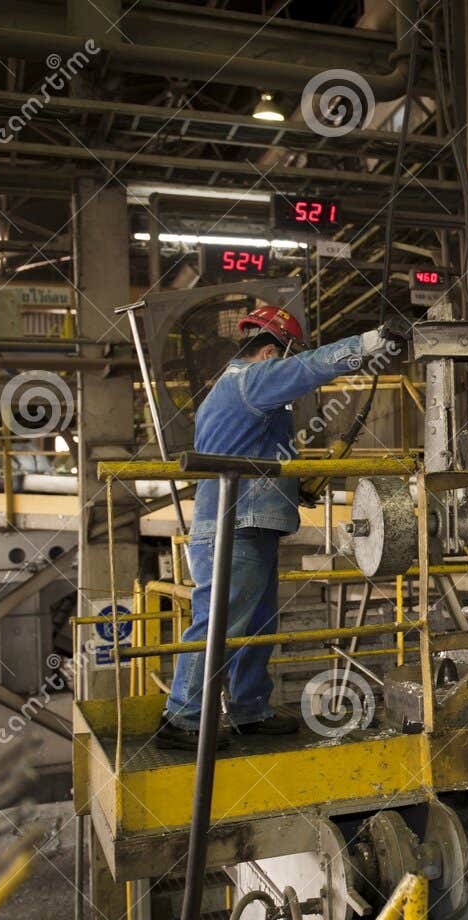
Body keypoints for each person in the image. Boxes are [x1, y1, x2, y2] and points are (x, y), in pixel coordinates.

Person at [155, 305, 402, 751]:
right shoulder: (250, 380)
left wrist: (294, 488)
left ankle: (249, 711)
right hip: (236, 525)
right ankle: (183, 717)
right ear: (270, 351)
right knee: (221, 623)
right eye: (284, 357)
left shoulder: (237, 392)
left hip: (248, 522)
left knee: (255, 626)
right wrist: (369, 344)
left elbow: (258, 454)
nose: (286, 369)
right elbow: (308, 369)